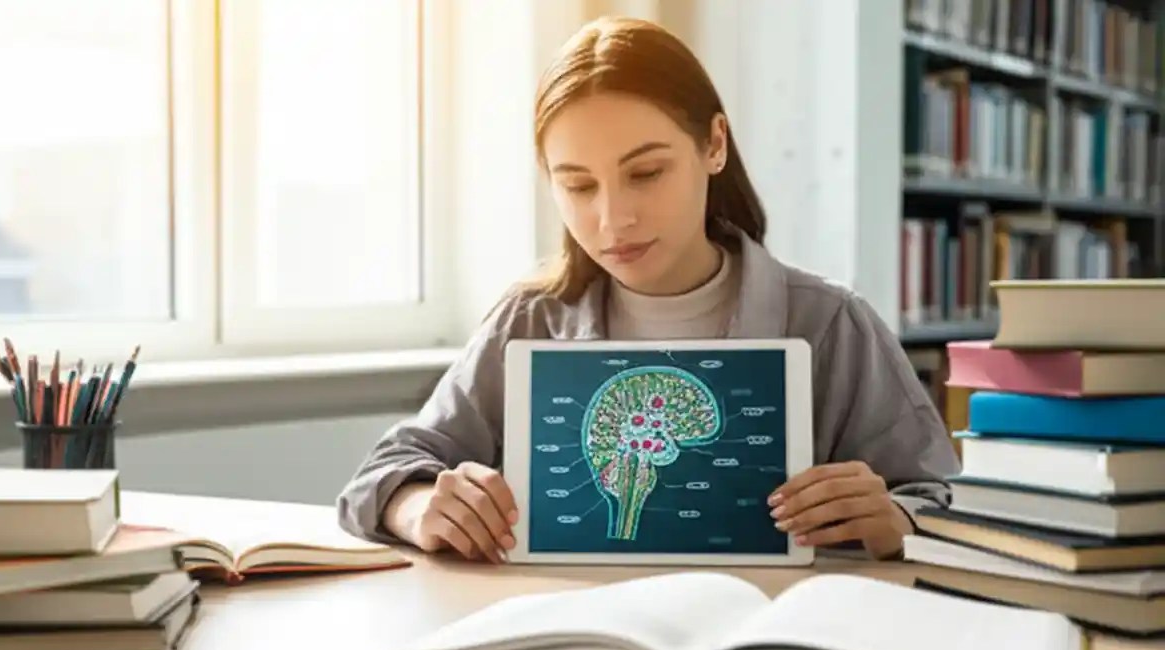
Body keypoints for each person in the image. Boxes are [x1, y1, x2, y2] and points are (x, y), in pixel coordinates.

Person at [337, 16, 958, 563]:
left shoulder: (830, 324)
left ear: (714, 144)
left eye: (647, 173)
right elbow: (379, 476)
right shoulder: (529, 321)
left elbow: (952, 506)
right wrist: (418, 507)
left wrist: (899, 521)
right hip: (569, 630)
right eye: (579, 186)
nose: (613, 220)